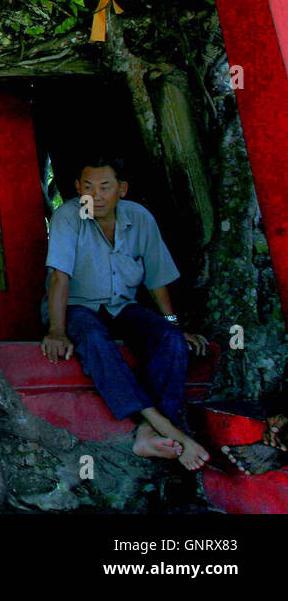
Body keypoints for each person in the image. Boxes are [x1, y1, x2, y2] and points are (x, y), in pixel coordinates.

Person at [40, 155, 211, 470]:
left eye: (105, 187)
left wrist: (173, 324)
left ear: (123, 189)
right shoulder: (68, 216)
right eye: (88, 187)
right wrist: (57, 330)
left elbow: (157, 277)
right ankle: (163, 424)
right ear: (77, 188)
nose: (96, 196)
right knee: (93, 339)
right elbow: (59, 277)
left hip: (122, 306)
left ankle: (146, 433)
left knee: (171, 340)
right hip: (78, 305)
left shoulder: (140, 218)